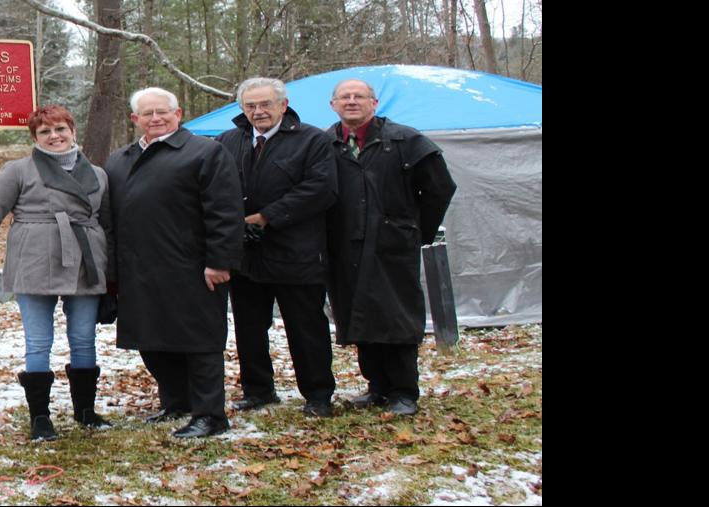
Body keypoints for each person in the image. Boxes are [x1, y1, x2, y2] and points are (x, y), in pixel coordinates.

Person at [0, 105, 111, 442]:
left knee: (83, 337)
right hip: (34, 260)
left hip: (86, 261)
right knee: (38, 341)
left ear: (73, 131)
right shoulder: (17, 170)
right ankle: (40, 418)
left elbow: (108, 222)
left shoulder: (98, 174)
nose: (54, 136)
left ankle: (86, 411)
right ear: (35, 137)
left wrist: (113, 272)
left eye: (60, 129)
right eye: (45, 132)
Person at [104, 87, 243, 438]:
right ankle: (177, 401)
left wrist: (220, 261)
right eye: (147, 113)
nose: (156, 118)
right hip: (137, 269)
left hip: (192, 267)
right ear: (135, 119)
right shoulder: (119, 160)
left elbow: (225, 210)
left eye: (163, 111)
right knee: (150, 340)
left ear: (178, 114)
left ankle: (210, 414)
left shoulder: (206, 152)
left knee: (200, 342)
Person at [323, 78, 457, 416]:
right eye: (344, 97)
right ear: (333, 105)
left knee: (395, 315)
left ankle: (404, 391)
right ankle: (378, 387)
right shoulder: (325, 143)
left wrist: (414, 230)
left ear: (374, 102)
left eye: (359, 96)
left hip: (392, 246)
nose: (351, 101)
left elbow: (440, 187)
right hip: (344, 246)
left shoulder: (405, 140)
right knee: (359, 315)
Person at [216, 77, 337, 417]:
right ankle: (258, 389)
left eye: (265, 104)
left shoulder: (312, 140)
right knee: (249, 327)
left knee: (305, 328)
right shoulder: (228, 141)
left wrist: (267, 217)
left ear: (283, 105)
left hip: (296, 251)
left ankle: (318, 394)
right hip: (246, 254)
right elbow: (217, 186)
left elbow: (321, 189)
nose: (258, 111)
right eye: (250, 105)